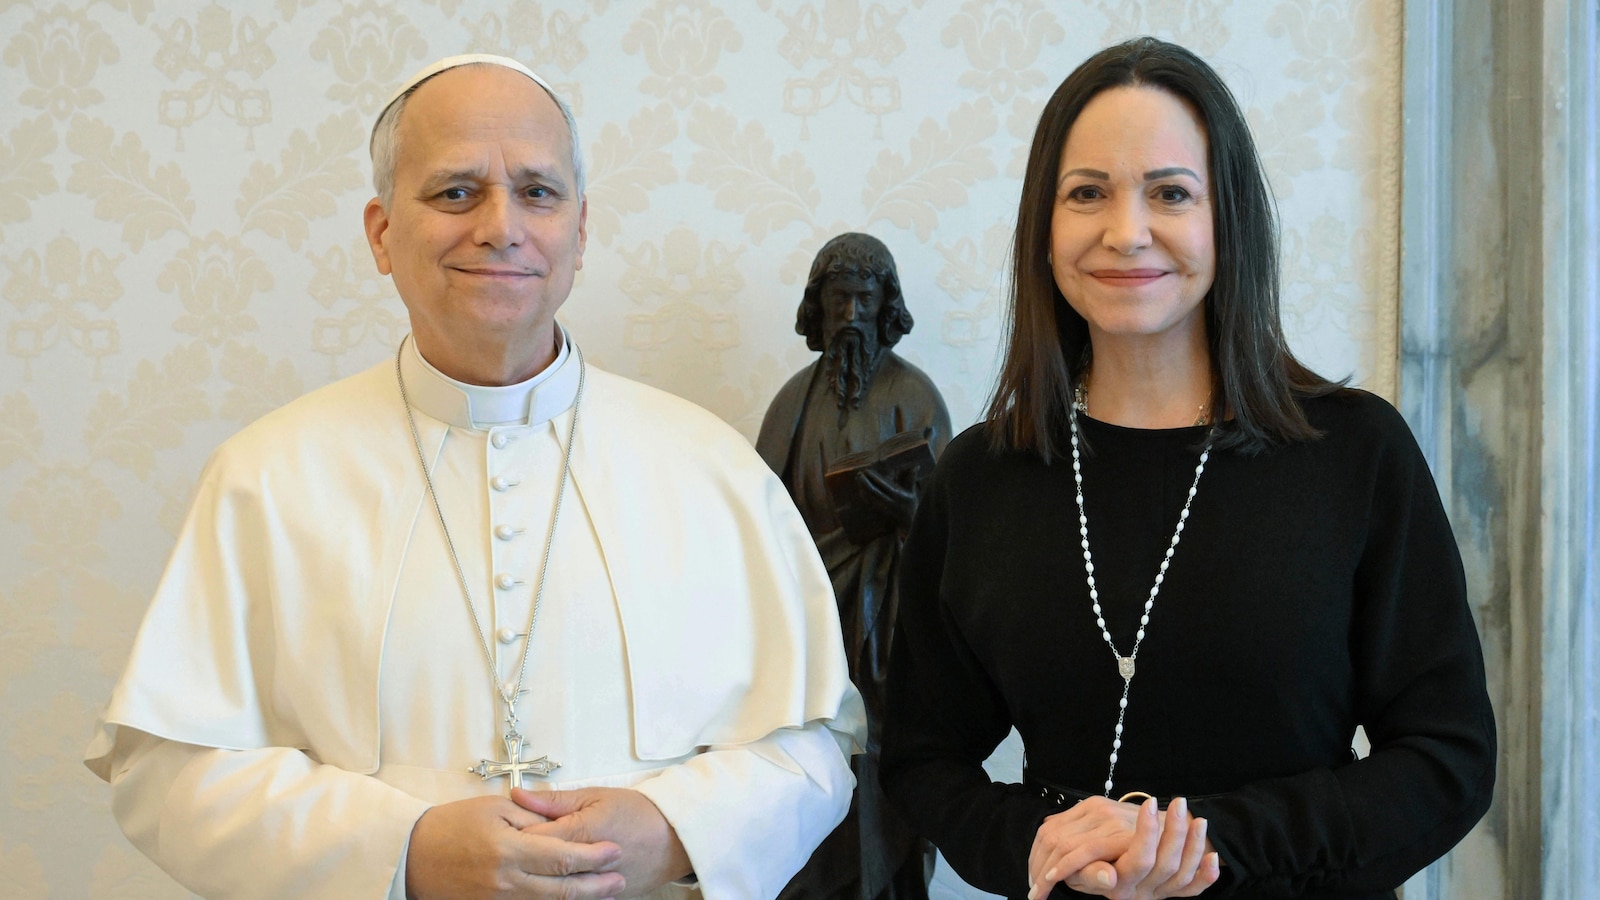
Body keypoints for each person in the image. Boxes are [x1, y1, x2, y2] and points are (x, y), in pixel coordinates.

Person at [85, 54, 865, 900]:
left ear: (581, 229)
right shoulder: (266, 477)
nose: (501, 225)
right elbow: (167, 772)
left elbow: (816, 742)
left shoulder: (709, 467)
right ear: (381, 233)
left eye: (538, 192)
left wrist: (678, 830)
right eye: (456, 192)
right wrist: (402, 849)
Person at [879, 36, 1496, 900]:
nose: (1126, 232)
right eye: (1087, 193)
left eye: (1170, 193)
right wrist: (1048, 845)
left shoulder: (1356, 452)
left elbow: (1447, 761)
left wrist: (1204, 843)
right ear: (1044, 227)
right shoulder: (980, 477)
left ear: (1226, 218)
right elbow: (919, 758)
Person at [756, 233, 950, 899]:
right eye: (838, 300)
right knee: (810, 772)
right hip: (808, 624)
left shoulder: (916, 397)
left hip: (891, 631)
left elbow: (947, 527)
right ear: (819, 306)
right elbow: (760, 520)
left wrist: (902, 512)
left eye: (863, 300)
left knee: (886, 775)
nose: (850, 316)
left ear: (884, 305)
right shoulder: (792, 402)